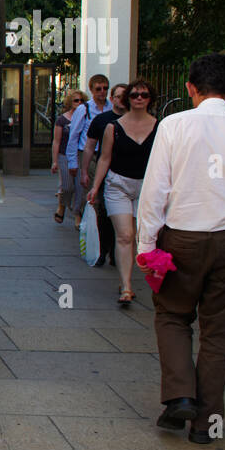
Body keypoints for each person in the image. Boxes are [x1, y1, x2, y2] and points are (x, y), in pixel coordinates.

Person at [137, 53, 225, 444]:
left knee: (173, 316)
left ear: (190, 87)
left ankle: (179, 396)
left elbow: (155, 189)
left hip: (182, 237)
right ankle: (207, 422)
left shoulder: (174, 124)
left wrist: (146, 244)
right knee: (219, 332)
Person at [88, 79, 157, 306]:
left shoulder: (160, 126)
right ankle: (126, 286)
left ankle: (127, 279)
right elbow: (104, 158)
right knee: (125, 235)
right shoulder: (113, 127)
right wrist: (96, 186)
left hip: (146, 187)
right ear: (127, 98)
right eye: (135, 94)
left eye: (144, 95)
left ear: (150, 99)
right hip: (118, 184)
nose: (139, 98)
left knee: (136, 236)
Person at [82, 83, 128, 266]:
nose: (121, 101)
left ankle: (118, 252)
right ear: (112, 99)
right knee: (104, 213)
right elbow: (89, 146)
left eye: (125, 97)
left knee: (125, 217)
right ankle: (104, 249)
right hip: (106, 173)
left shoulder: (137, 120)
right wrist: (85, 171)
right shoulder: (102, 120)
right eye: (118, 97)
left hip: (129, 173)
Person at [67, 74, 111, 228]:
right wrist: (72, 161)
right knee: (89, 188)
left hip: (106, 153)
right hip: (88, 154)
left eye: (105, 88)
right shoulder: (84, 109)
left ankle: (101, 221)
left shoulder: (111, 107)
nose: (102, 92)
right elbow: (73, 136)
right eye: (98, 89)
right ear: (92, 90)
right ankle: (86, 220)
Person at [50, 91, 84, 223]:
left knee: (80, 187)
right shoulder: (62, 120)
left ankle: (77, 214)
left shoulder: (85, 117)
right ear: (70, 102)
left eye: (81, 100)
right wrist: (54, 161)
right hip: (64, 156)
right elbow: (56, 141)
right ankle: (62, 205)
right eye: (76, 100)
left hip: (79, 155)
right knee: (67, 186)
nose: (79, 103)